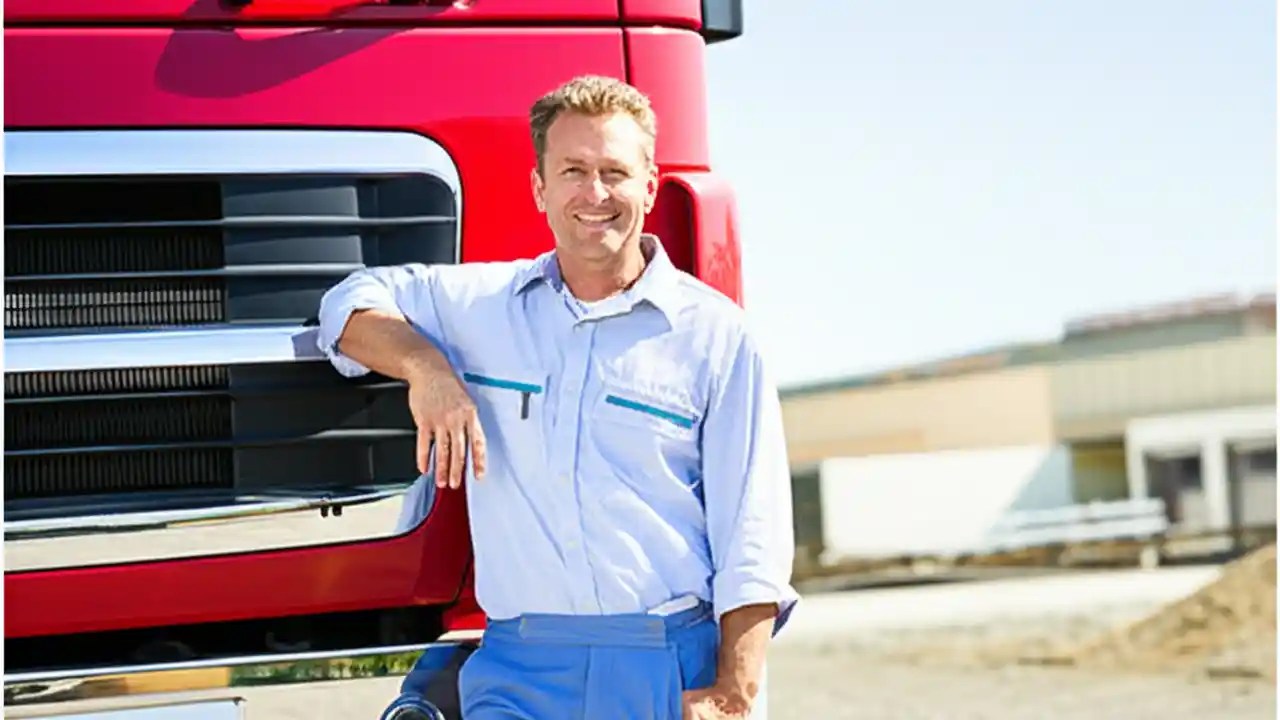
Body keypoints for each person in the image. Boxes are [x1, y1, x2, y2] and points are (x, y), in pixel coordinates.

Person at [317, 75, 798, 720]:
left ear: (650, 187)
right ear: (539, 188)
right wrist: (426, 367)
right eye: (572, 170)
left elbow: (753, 531)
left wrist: (734, 695)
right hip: (518, 667)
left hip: (666, 664)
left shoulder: (717, 336)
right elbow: (345, 303)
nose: (594, 194)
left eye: (615, 172)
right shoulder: (481, 307)